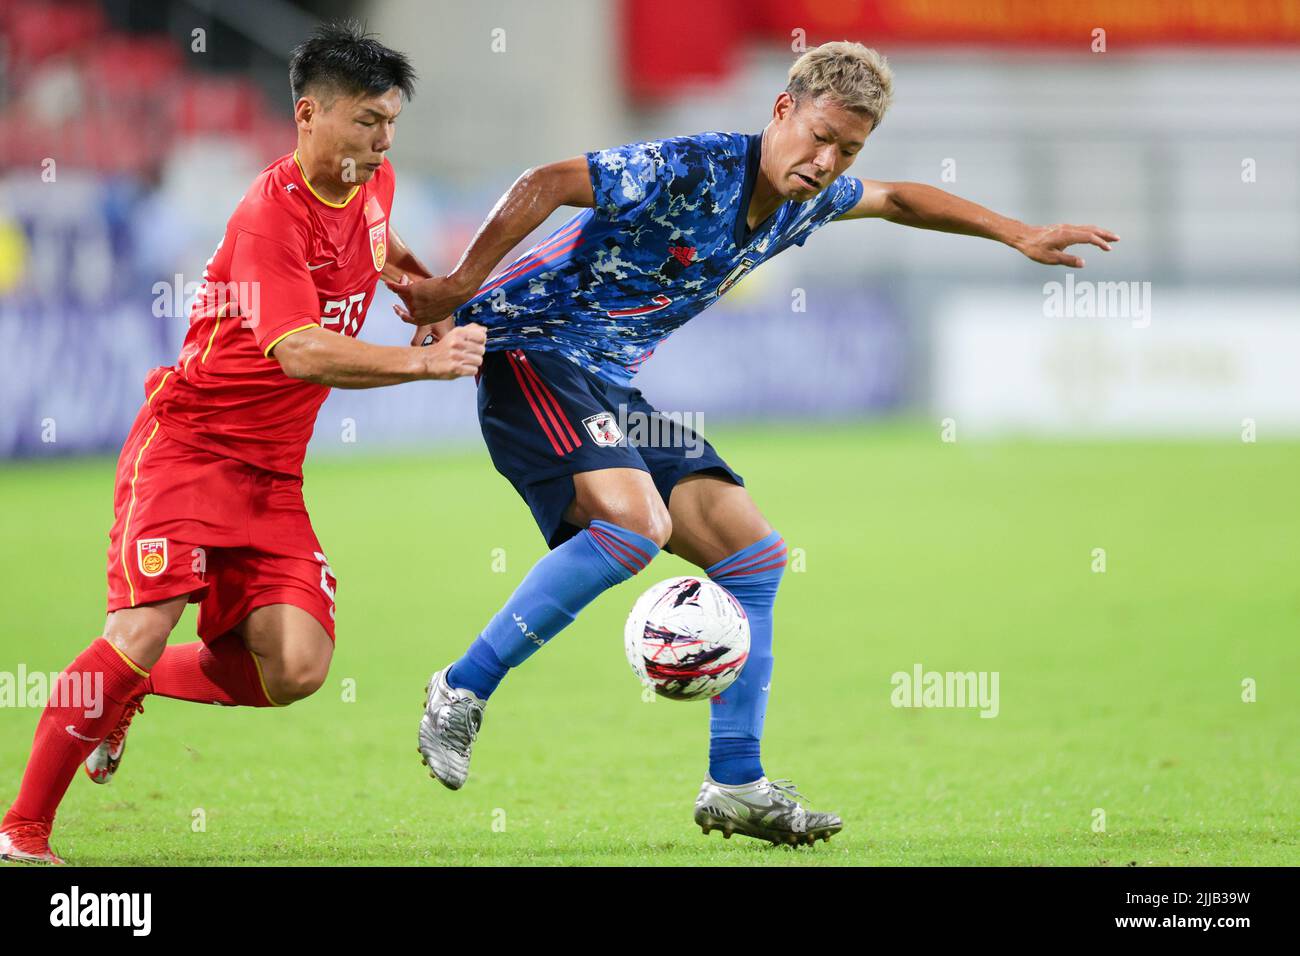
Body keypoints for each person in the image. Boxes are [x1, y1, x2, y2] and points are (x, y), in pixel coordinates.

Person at [389, 40, 1118, 846]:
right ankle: (460, 689)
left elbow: (902, 200)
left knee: (752, 554)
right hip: (532, 350)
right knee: (634, 528)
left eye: (848, 149)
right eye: (819, 136)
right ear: (781, 110)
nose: (827, 159)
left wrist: (1017, 234)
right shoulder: (695, 166)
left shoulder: (812, 197)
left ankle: (736, 782)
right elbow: (549, 183)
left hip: (611, 385)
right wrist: (459, 285)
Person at [0, 22, 485, 865]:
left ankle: (125, 693)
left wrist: (424, 292)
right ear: (310, 115)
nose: (383, 142)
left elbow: (382, 245)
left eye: (391, 123)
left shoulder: (372, 181)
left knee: (294, 668)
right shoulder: (270, 213)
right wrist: (425, 362)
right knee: (140, 627)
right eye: (368, 122)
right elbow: (298, 348)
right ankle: (22, 830)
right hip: (190, 449)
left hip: (272, 476)